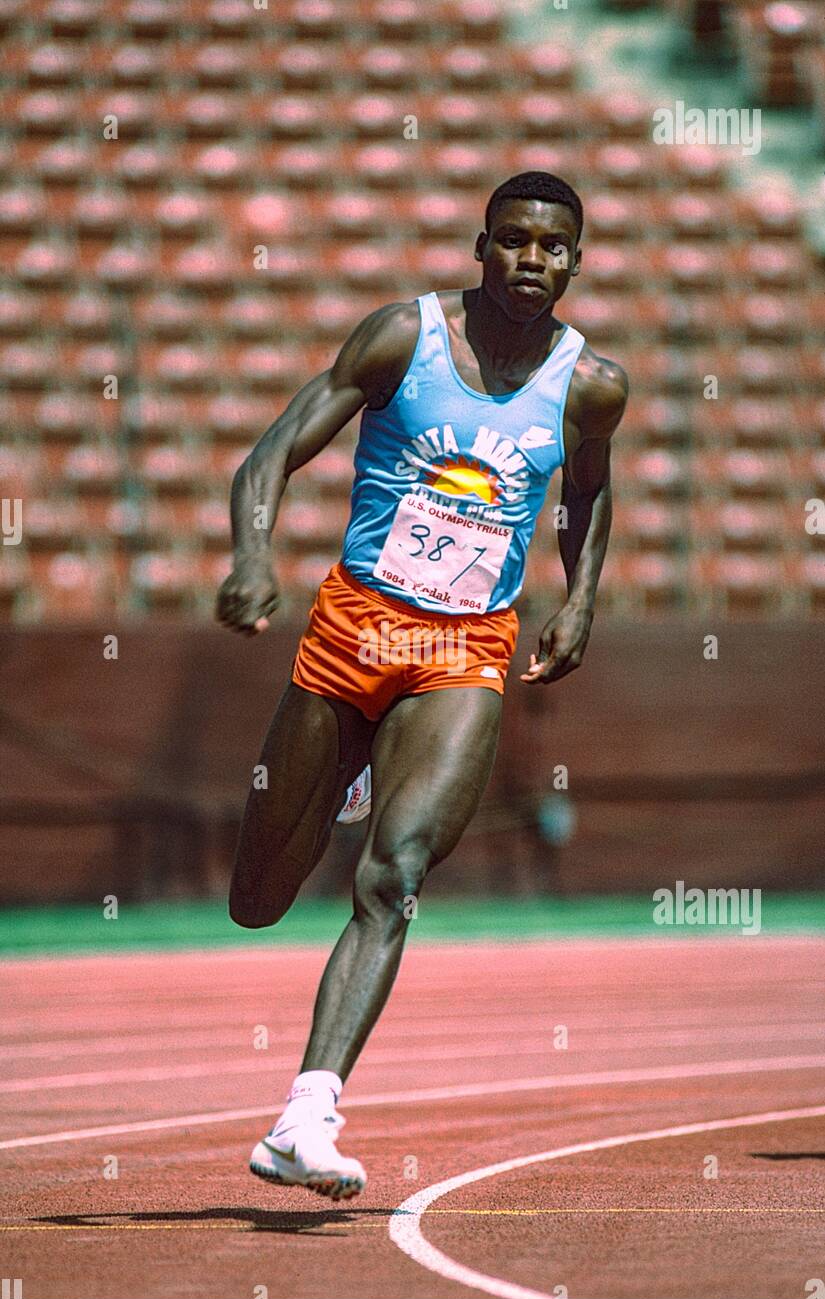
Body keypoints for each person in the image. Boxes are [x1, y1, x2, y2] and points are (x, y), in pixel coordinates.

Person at [215, 171, 628, 1201]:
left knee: (395, 874)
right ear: (479, 246)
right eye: (515, 241)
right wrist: (253, 556)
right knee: (259, 900)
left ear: (577, 261)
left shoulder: (591, 385)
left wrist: (579, 599)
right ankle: (347, 775)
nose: (534, 261)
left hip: (466, 648)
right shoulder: (404, 338)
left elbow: (588, 490)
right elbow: (270, 453)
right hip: (353, 629)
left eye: (555, 247)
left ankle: (307, 1113)